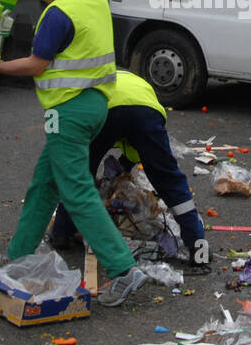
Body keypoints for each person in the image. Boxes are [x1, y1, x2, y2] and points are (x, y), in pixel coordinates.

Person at [0, 0, 147, 307]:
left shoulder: (58, 16)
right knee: (44, 183)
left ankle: (124, 269)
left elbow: (36, 64)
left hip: (67, 112)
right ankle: (18, 254)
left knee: (76, 192)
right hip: (95, 105)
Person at [47, 69, 209, 274]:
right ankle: (198, 249)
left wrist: (104, 187)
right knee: (170, 182)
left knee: (79, 176)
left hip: (103, 109)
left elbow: (87, 171)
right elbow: (132, 161)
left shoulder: (93, 80)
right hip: (147, 112)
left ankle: (61, 234)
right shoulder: (137, 83)